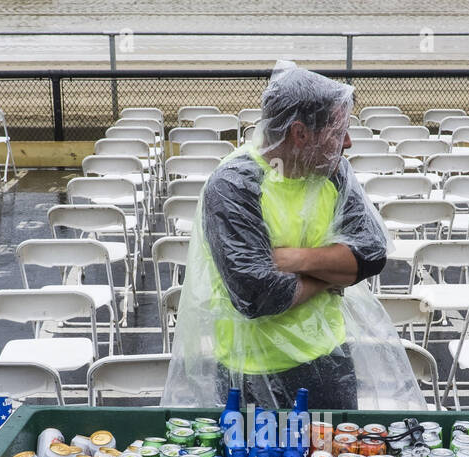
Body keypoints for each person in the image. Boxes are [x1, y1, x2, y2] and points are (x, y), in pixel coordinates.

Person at [161, 61, 424, 413]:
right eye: (337, 131)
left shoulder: (333, 172)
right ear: (299, 133)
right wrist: (333, 276)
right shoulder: (234, 185)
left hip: (328, 362)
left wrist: (290, 259)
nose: (347, 142)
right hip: (251, 373)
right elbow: (256, 295)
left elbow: (372, 255)